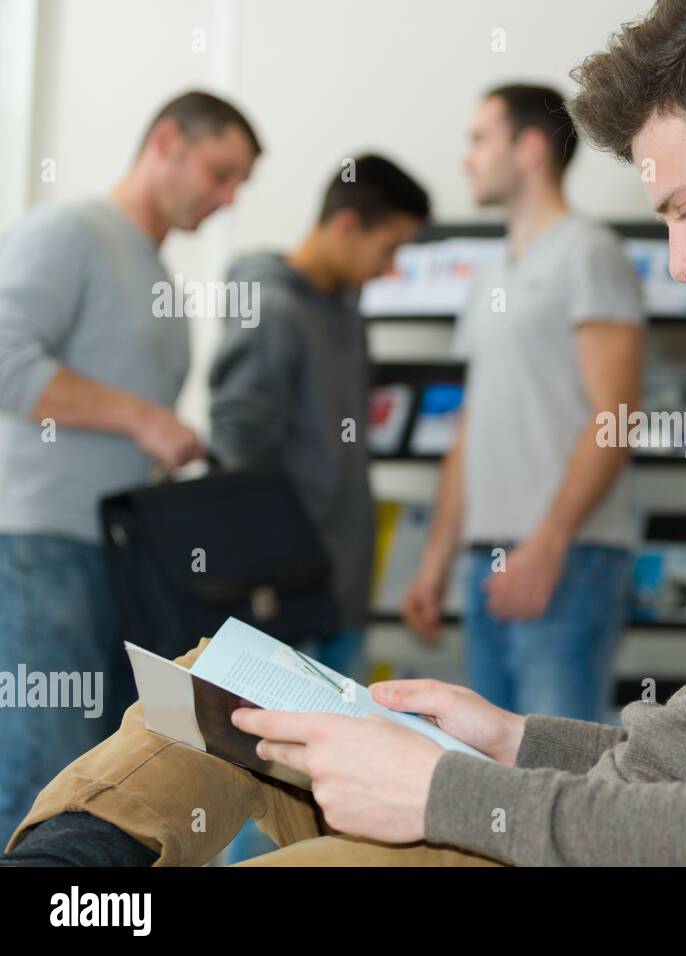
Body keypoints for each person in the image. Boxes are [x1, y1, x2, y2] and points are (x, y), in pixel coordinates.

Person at [4, 0, 686, 867]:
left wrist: (449, 793)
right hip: (582, 819)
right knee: (221, 683)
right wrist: (513, 741)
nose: (683, 258)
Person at [0, 90, 259, 844]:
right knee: (41, 773)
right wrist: (145, 418)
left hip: (118, 562)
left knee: (113, 776)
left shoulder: (156, 275)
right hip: (43, 547)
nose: (228, 196)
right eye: (221, 172)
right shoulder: (68, 231)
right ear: (168, 142)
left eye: (240, 183)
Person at [207, 154, 431, 862]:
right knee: (261, 789)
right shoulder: (271, 305)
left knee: (325, 797)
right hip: (284, 604)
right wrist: (268, 583)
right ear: (344, 225)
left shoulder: (346, 314)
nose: (392, 267)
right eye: (388, 247)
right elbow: (238, 452)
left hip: (341, 593)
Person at [400, 84, 645, 723]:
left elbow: (616, 416)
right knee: (486, 776)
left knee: (554, 772)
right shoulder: (491, 278)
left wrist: (549, 545)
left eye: (480, 139)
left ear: (530, 147)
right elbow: (471, 430)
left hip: (569, 559)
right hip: (491, 561)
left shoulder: (588, 252)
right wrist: (434, 562)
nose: (466, 157)